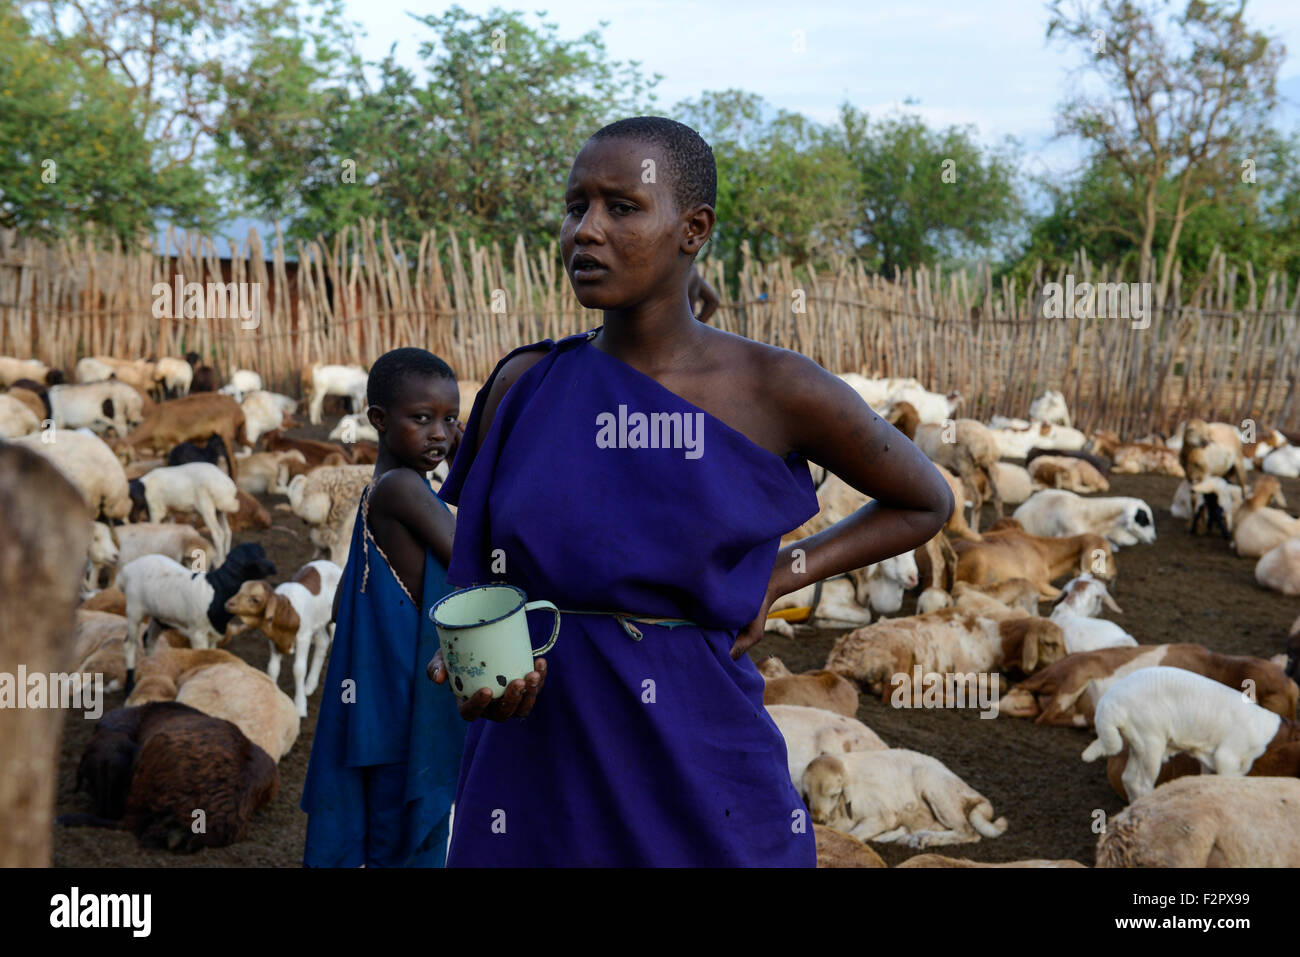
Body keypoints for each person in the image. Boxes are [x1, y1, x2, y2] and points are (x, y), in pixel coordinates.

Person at [429, 116, 953, 866]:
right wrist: (470, 673)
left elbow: (925, 500)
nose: (586, 230)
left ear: (693, 228)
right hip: (533, 758)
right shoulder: (525, 385)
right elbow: (478, 583)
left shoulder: (774, 388)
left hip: (696, 754)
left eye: (622, 207)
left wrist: (781, 574)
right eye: (576, 206)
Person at [300, 347, 466, 867]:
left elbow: (347, 600)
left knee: (386, 830)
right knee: (405, 834)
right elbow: (476, 560)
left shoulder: (381, 493)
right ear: (378, 419)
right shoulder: (402, 489)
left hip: (384, 701)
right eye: (422, 419)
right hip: (405, 704)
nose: (438, 433)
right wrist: (470, 465)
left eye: (450, 420)